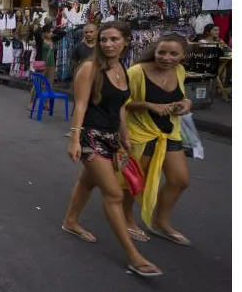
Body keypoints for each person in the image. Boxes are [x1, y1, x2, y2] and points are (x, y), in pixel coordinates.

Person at [61, 22, 162, 277]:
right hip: (90, 137)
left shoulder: (122, 69)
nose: (107, 44)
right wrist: (74, 140)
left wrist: (124, 138)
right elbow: (81, 106)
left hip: (111, 137)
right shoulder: (89, 68)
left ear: (126, 41)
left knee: (87, 183)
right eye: (103, 39)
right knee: (115, 194)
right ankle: (133, 257)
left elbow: (120, 107)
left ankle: (70, 222)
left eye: (114, 39)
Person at [124, 34, 193, 246]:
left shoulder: (180, 71)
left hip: (169, 132)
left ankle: (160, 222)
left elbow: (181, 97)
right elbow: (122, 102)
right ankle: (126, 220)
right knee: (134, 183)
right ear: (154, 51)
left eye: (174, 54)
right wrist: (147, 105)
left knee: (180, 180)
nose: (167, 58)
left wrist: (186, 103)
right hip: (140, 133)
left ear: (183, 55)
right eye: (162, 52)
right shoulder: (137, 72)